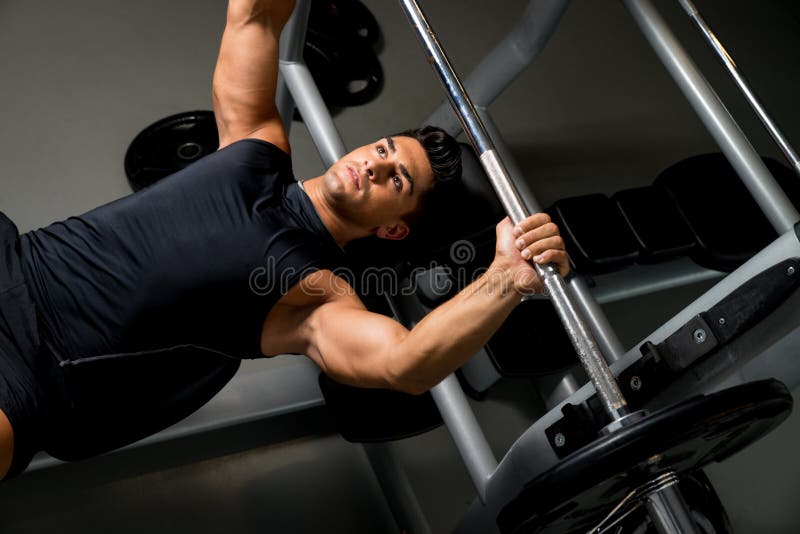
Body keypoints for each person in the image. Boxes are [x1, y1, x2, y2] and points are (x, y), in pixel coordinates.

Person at [0, 0, 568, 480]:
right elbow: (252, 18)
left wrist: (505, 278)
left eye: (396, 178)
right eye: (383, 148)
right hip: (13, 260)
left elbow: (405, 363)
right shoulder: (254, 144)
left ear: (394, 227)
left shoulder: (315, 297)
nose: (372, 164)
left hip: (30, 368)